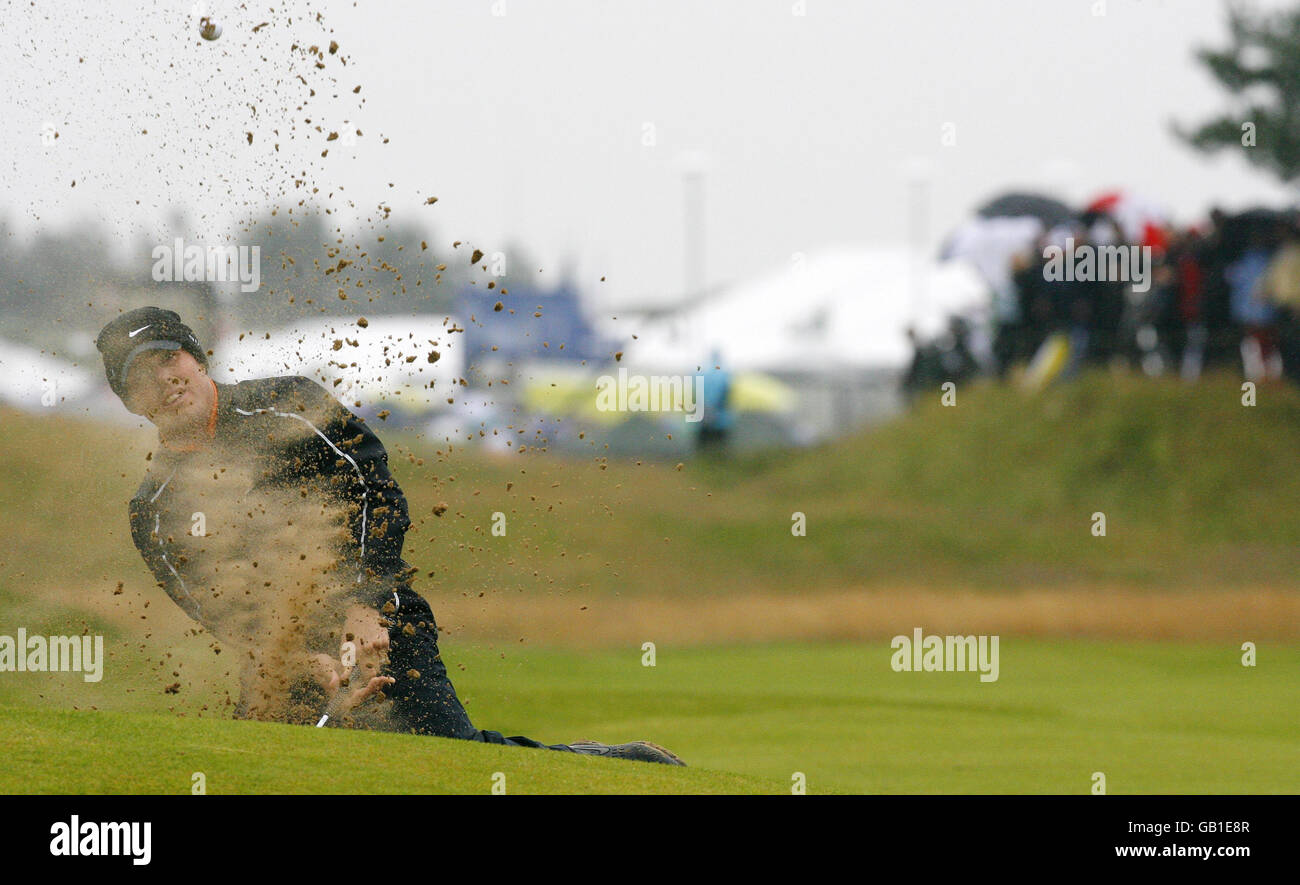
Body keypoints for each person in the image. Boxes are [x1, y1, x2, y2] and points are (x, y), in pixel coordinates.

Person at [96, 306, 685, 765]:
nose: (164, 381)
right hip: (290, 661)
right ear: (129, 402)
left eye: (169, 359)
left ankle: (605, 767)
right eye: (141, 377)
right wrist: (299, 662)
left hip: (381, 615)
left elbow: (375, 491)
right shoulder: (152, 509)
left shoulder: (288, 406)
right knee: (263, 772)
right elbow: (216, 609)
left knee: (455, 767)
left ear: (197, 360)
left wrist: (363, 604)